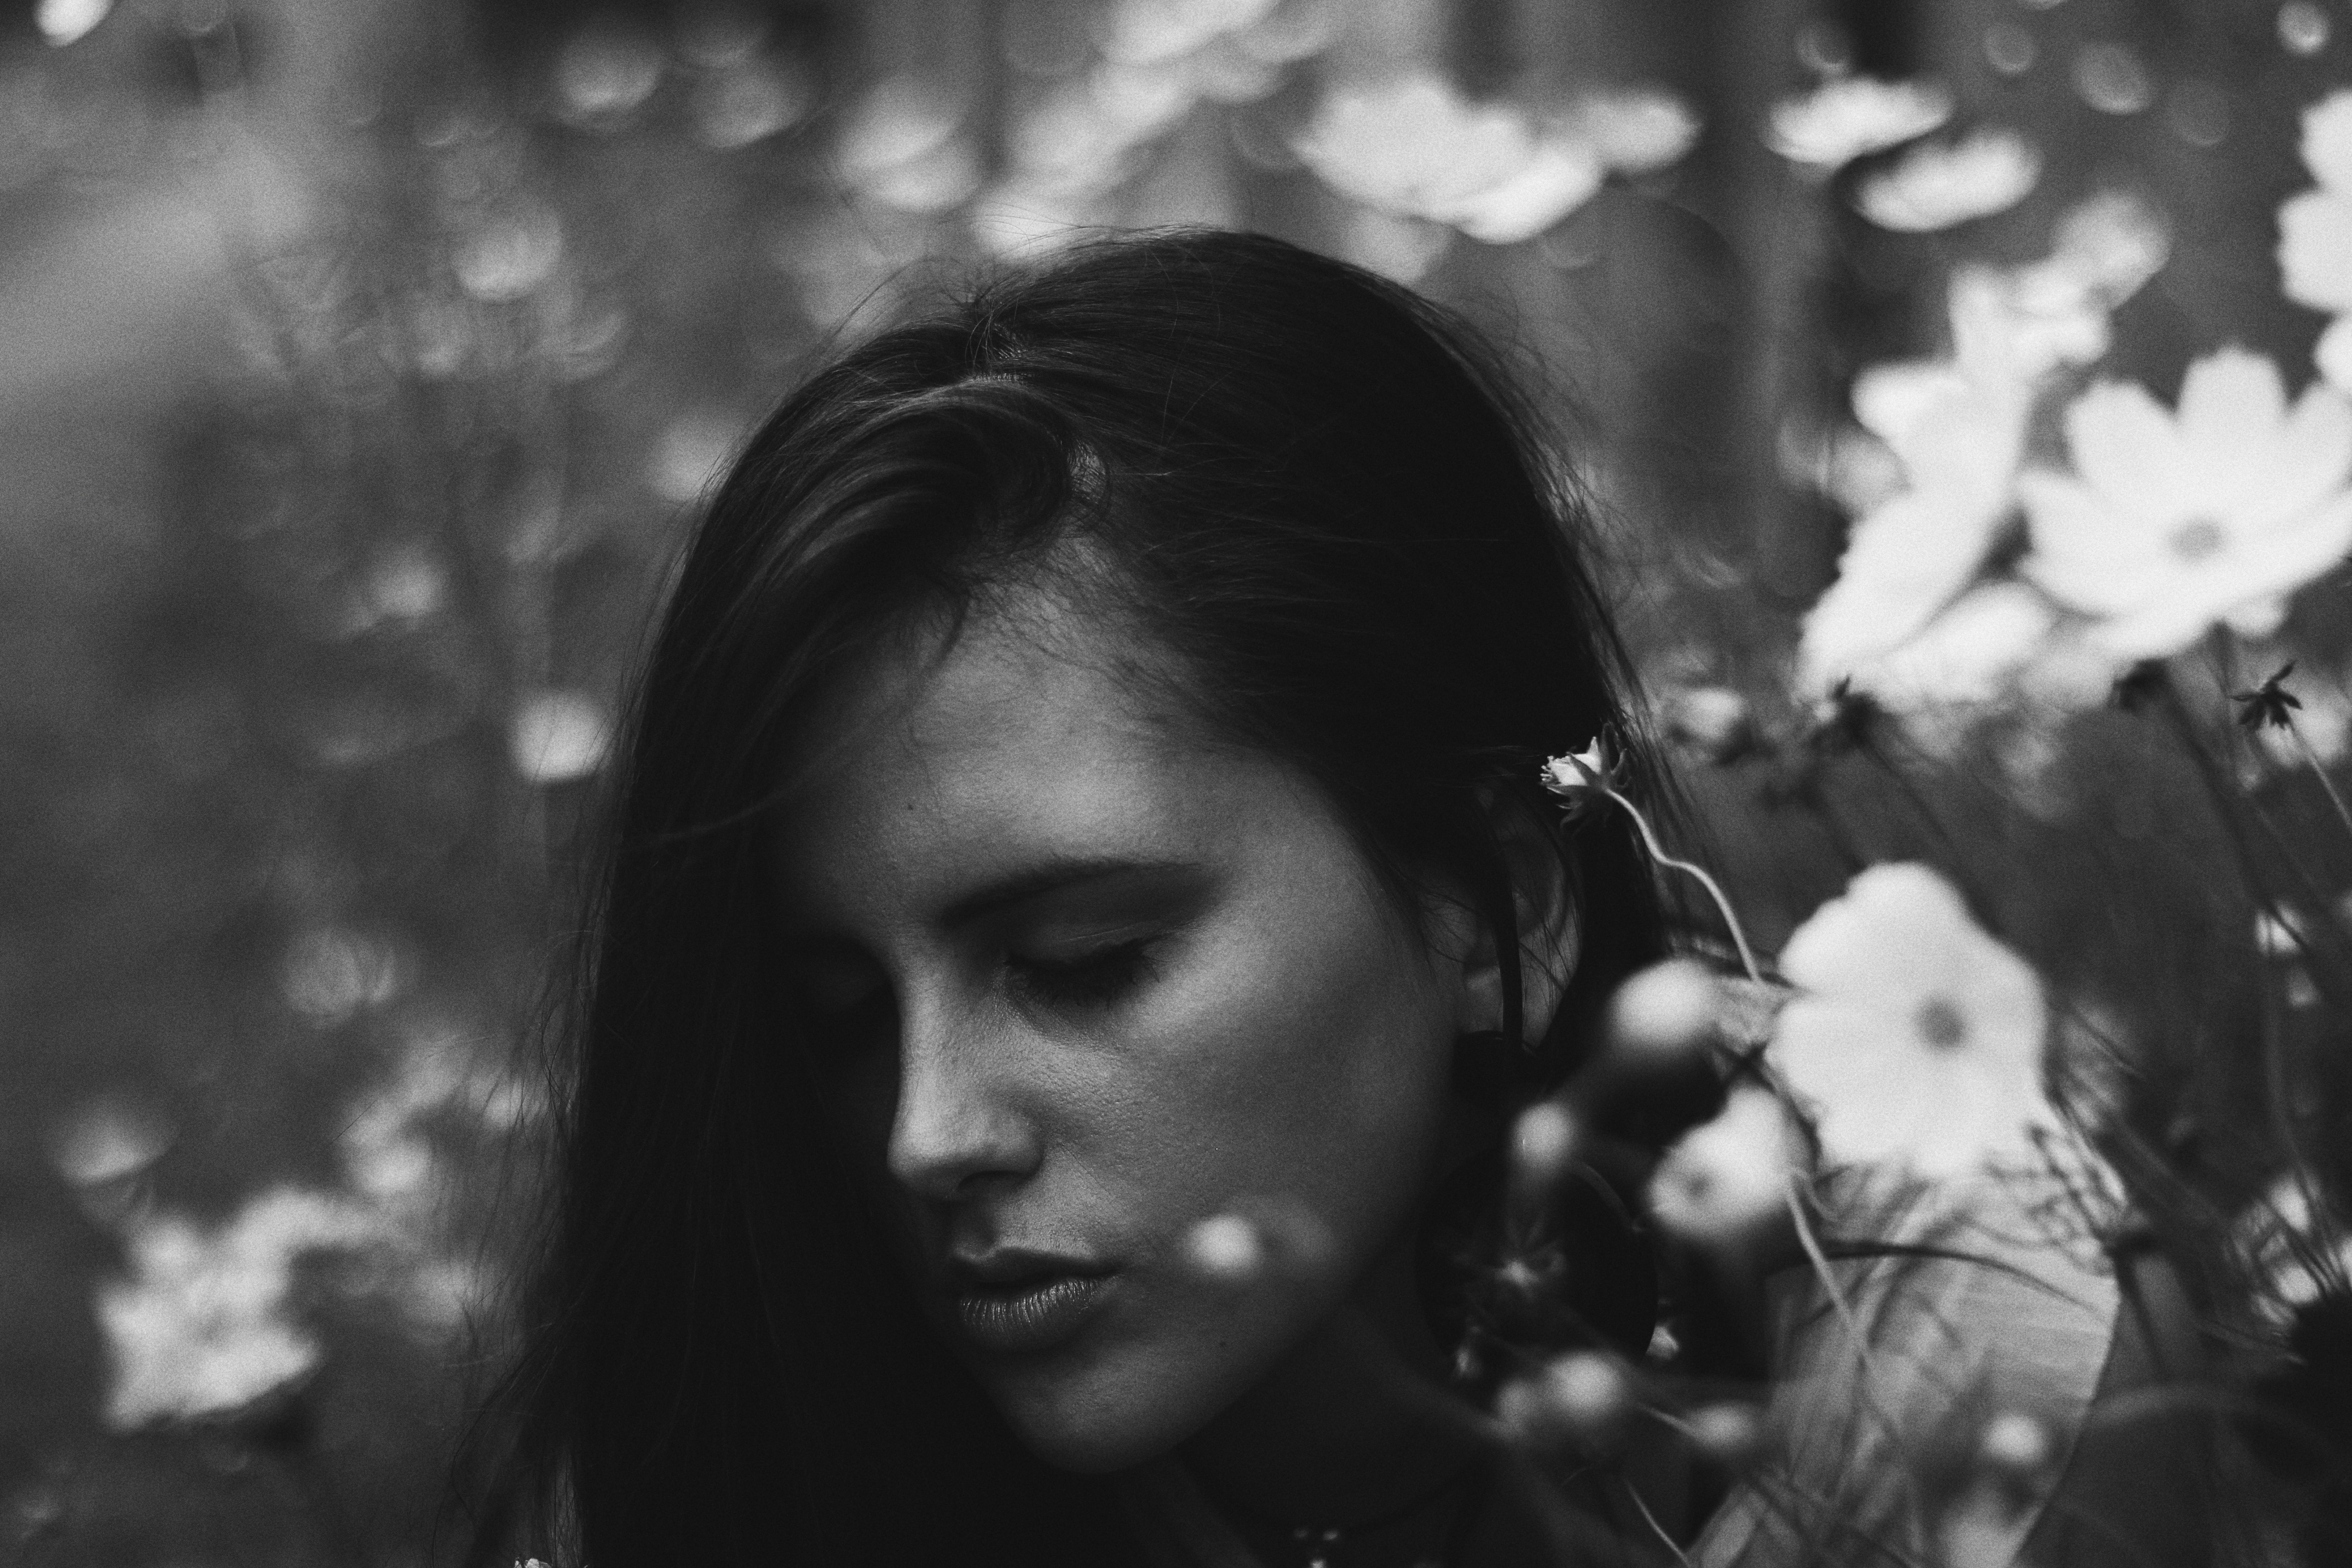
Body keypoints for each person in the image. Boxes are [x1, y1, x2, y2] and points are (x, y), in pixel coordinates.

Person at [461, 229, 2174, 1567]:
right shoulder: (766, 1422)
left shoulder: (1961, 1333)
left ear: (1497, 894)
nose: (925, 1134)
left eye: (1083, 961)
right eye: (837, 1014)